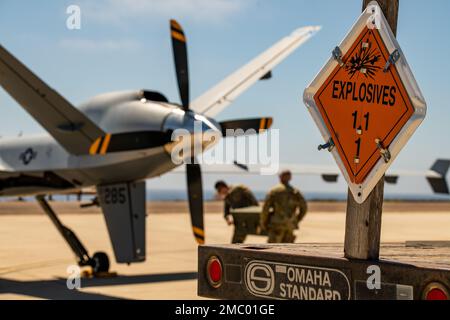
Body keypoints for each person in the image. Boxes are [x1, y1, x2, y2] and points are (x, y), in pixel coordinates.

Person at [260, 170, 307, 243]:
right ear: (290, 178)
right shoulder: (295, 192)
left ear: (280, 177)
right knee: (287, 250)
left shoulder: (274, 191)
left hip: (277, 224)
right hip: (290, 225)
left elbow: (265, 209)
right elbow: (304, 208)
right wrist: (296, 219)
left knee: (272, 250)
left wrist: (263, 222)